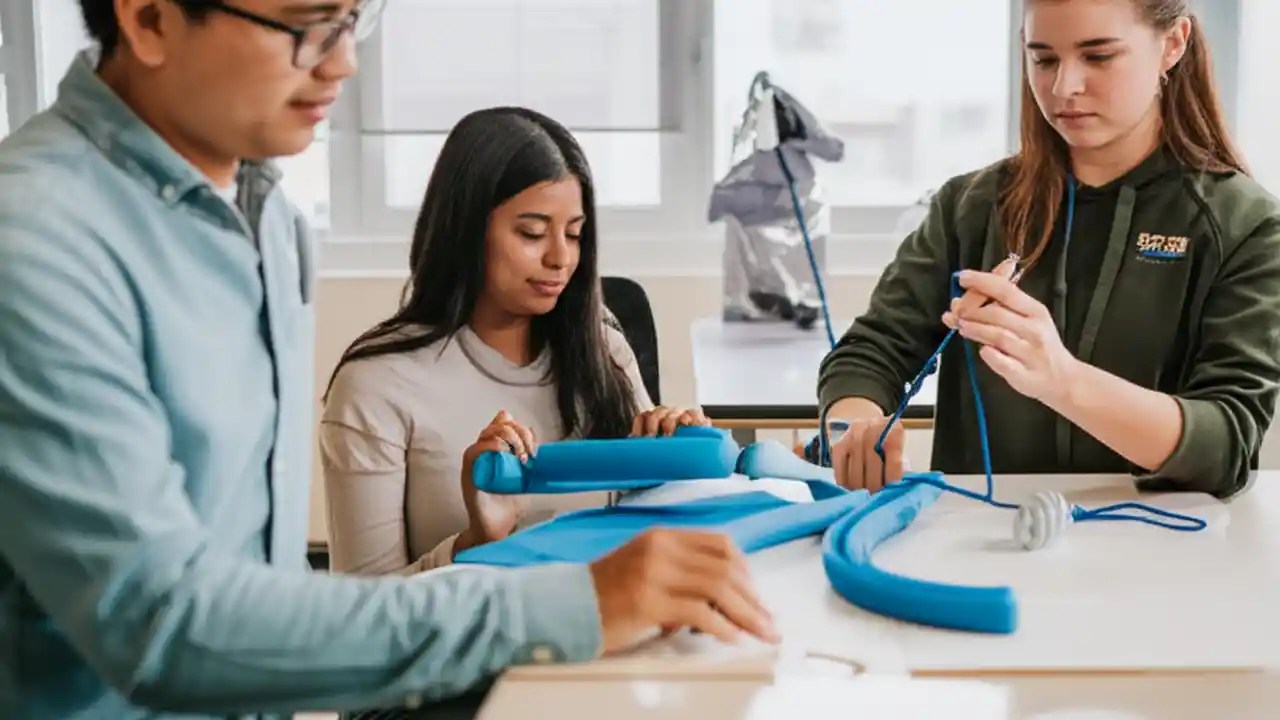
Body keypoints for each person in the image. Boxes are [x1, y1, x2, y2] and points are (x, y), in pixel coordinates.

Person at [0, 3, 776, 718]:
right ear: (149, 17)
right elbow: (162, 622)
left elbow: (258, 580)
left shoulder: (269, 219)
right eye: (308, 26)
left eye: (352, 21)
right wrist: (572, 604)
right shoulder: (36, 243)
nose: (343, 65)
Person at [818, 0, 1280, 498]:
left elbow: (1225, 447)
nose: (1064, 88)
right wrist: (854, 425)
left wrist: (1062, 380)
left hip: (1162, 550)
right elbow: (870, 353)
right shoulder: (970, 206)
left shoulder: (1245, 225)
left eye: (1098, 57)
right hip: (979, 539)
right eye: (1043, 60)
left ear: (1172, 44)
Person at [320, 107, 710, 574]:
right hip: (478, 641)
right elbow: (364, 618)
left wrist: (675, 453)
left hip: (614, 627)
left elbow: (646, 529)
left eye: (574, 233)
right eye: (531, 233)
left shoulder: (600, 346)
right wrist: (477, 540)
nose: (560, 258)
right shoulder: (376, 388)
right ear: (465, 228)